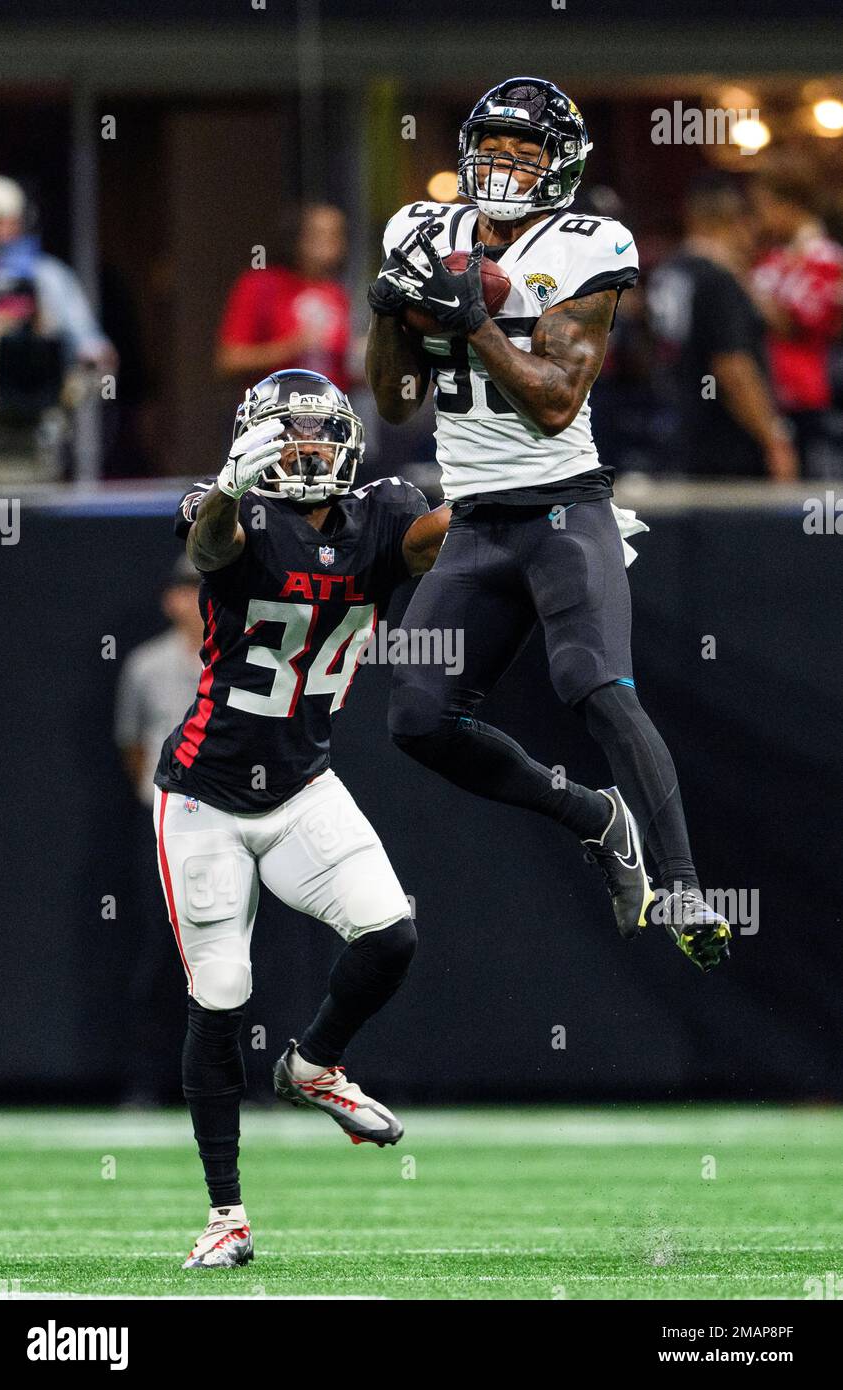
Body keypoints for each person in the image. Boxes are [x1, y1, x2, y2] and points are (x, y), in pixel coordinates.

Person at [366, 76, 732, 972]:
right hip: (474, 518)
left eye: (525, 153)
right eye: (493, 148)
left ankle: (683, 881)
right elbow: (397, 397)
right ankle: (595, 816)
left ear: (559, 165)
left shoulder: (586, 243)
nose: (504, 165)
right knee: (416, 720)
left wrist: (477, 321)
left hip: (564, 506)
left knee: (595, 685)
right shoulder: (424, 230)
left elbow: (558, 403)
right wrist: (387, 315)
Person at [153, 368, 449, 1268]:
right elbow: (211, 544)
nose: (309, 448)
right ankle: (226, 1216)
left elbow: (442, 537)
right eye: (291, 434)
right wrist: (234, 488)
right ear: (256, 443)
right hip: (203, 798)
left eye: (322, 434)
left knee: (390, 935)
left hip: (301, 787)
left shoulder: (384, 512)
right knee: (223, 993)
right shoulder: (228, 512)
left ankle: (313, 1062)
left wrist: (542, 510)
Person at [114, 554, 204, 1101]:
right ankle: (148, 1081)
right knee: (159, 951)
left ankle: (242, 1080)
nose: (193, 601)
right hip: (164, 821)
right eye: (187, 590)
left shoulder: (242, 658)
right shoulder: (147, 665)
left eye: (204, 589)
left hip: (228, 819)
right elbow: (133, 745)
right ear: (170, 598)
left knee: (231, 952)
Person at [646, 176, 798, 481]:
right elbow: (733, 368)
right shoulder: (717, 280)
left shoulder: (669, 271)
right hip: (727, 445)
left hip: (674, 434)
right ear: (735, 220)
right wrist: (773, 440)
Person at [0, 174, 115, 478]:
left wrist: (77, 375)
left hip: (34, 438)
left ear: (17, 221)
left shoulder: (48, 279)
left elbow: (95, 351)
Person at [750, 162, 843, 477]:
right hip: (769, 391)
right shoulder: (771, 258)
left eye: (764, 207)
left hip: (807, 398)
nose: (759, 218)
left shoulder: (825, 258)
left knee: (809, 497)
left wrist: (748, 293)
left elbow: (797, 322)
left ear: (788, 205)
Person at [215, 204, 352, 392]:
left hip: (328, 413)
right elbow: (229, 360)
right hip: (273, 411)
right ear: (297, 237)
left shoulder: (335, 292)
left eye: (337, 235)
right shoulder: (260, 284)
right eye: (320, 235)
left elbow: (338, 372)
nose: (333, 244)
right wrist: (291, 347)